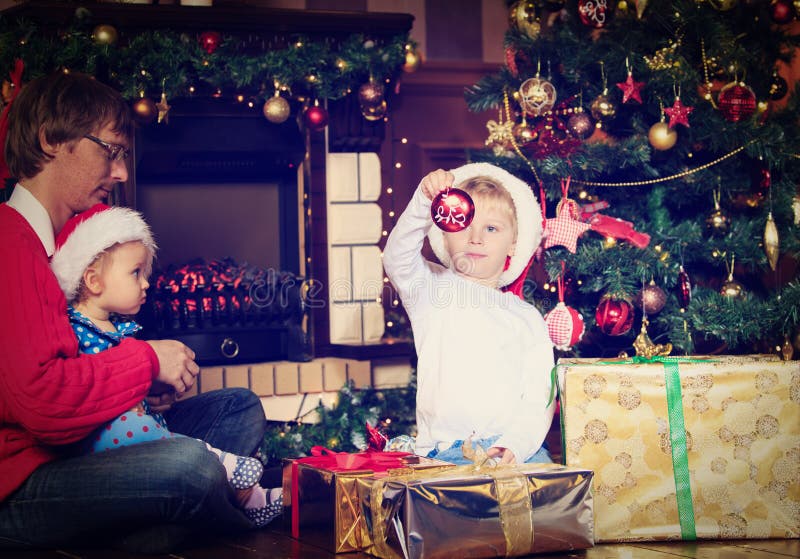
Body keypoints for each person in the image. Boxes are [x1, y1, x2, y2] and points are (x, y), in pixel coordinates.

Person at [0, 71, 270, 553]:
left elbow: (76, 360)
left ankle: (138, 532)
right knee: (191, 468)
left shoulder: (54, 247)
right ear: (52, 140)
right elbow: (43, 404)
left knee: (238, 408)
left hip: (77, 449)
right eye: (111, 150)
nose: (122, 172)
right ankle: (211, 513)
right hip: (25, 483)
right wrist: (146, 361)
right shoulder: (11, 244)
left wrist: (134, 394)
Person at [50, 202, 282, 527]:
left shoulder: (119, 328)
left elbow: (121, 385)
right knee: (180, 453)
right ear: (94, 281)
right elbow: (78, 390)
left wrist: (150, 390)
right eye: (135, 273)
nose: (146, 283)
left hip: (146, 431)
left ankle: (225, 496)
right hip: (104, 443)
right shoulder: (73, 330)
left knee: (240, 405)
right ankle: (228, 490)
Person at [383, 163, 555, 466]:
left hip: (512, 452)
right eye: (464, 225)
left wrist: (516, 445)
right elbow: (397, 257)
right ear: (445, 234)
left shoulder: (527, 318)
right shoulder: (433, 290)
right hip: (446, 452)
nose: (476, 238)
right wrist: (425, 200)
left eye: (491, 228)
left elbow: (539, 396)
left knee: (543, 504)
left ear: (513, 244)